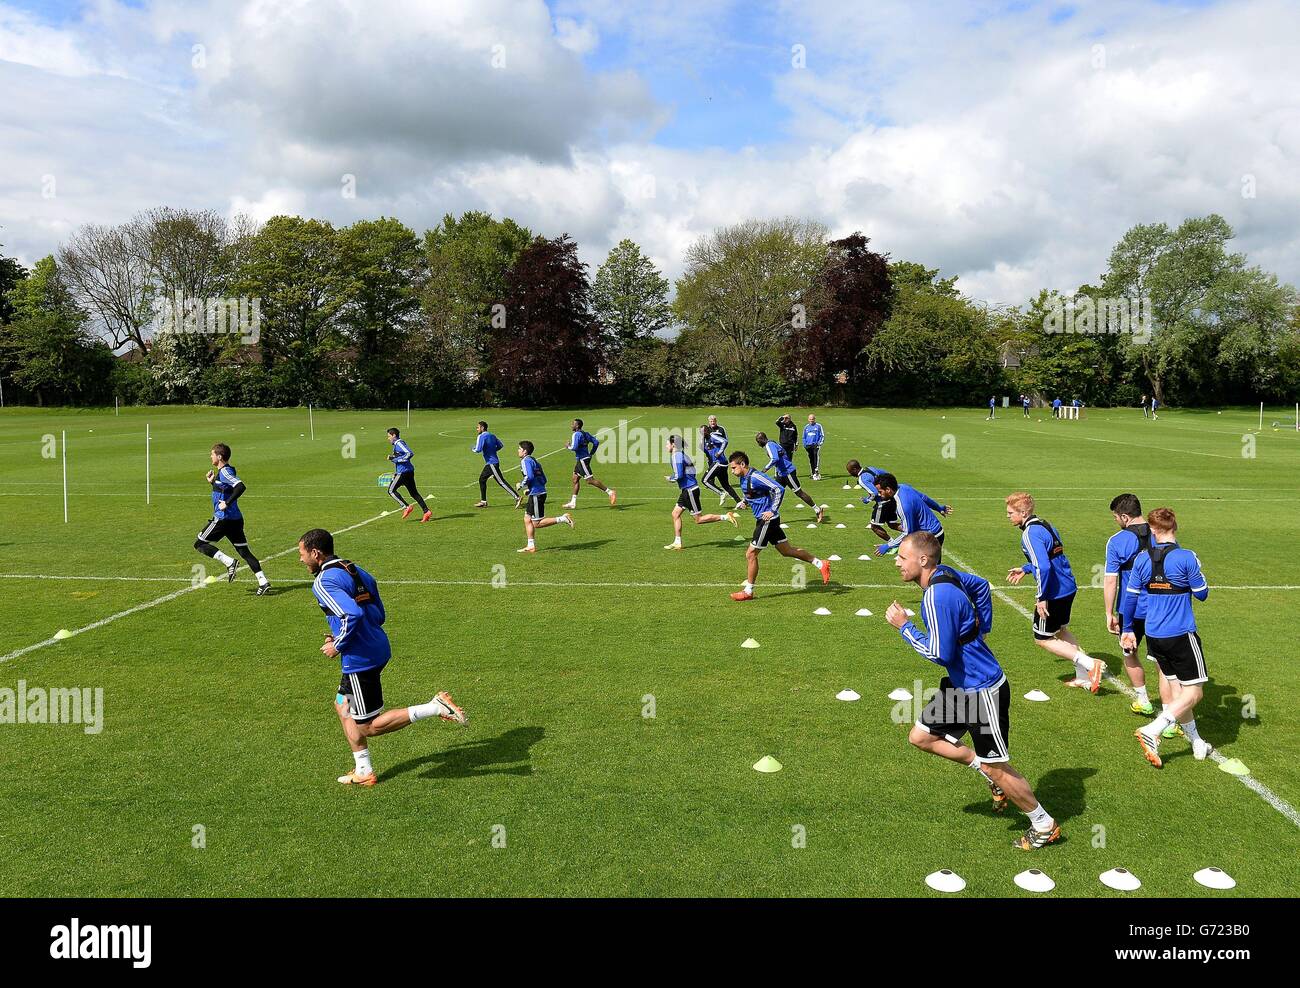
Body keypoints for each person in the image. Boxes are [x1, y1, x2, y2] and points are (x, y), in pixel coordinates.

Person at [885, 531, 1061, 850]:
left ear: (923, 560)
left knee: (998, 764)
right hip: (960, 686)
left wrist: (905, 628)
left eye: (901, 557)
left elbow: (941, 654)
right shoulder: (947, 572)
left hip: (982, 691)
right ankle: (987, 772)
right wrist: (983, 628)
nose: (896, 562)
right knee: (921, 737)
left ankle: (1043, 823)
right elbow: (980, 585)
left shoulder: (936, 596)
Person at [299, 527, 467, 787]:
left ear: (315, 553)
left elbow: (351, 614)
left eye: (302, 554)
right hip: (376, 644)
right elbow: (375, 607)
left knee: (368, 726)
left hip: (359, 657)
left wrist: (339, 644)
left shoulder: (322, 582)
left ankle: (435, 707)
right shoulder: (352, 568)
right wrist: (352, 632)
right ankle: (364, 770)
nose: (301, 560)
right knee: (343, 704)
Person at [1121, 508, 1213, 766]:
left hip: (1153, 634)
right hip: (1181, 633)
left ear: (1152, 530)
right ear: (1176, 526)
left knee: (1177, 691)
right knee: (1194, 693)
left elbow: (1130, 597)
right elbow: (1202, 593)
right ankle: (1154, 729)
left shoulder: (1141, 560)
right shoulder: (1186, 557)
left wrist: (1128, 629)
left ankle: (1196, 741)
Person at [1004, 492, 1105, 691]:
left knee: (1042, 639)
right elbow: (1051, 559)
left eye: (1010, 512)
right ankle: (1083, 677)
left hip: (1053, 593)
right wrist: (1025, 569)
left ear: (1023, 512)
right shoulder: (1046, 525)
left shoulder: (1029, 534)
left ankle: (1092, 664)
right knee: (1061, 630)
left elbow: (1044, 568)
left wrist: (1041, 597)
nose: (1007, 516)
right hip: (1068, 587)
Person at [726, 450, 830, 601]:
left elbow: (778, 489)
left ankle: (748, 591)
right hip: (765, 520)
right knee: (786, 551)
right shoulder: (744, 478)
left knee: (751, 554)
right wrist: (745, 502)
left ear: (742, 464)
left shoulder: (756, 476)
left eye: (734, 468)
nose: (732, 471)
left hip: (767, 520)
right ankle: (821, 564)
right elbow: (751, 493)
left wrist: (772, 510)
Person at [1103, 493, 1173, 719]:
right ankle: (1169, 717)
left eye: (1115, 517)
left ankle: (1143, 700)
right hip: (1160, 609)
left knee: (1129, 651)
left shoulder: (1117, 541)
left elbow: (1111, 579)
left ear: (1124, 516)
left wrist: (1108, 613)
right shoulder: (1163, 534)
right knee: (1163, 665)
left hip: (1130, 610)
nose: (1115, 521)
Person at [195, 442, 271, 595]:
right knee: (244, 552)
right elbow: (225, 488)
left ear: (219, 456)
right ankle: (263, 582)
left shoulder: (225, 472)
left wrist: (227, 503)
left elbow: (240, 486)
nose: (210, 457)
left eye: (212, 454)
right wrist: (212, 483)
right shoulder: (222, 473)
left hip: (224, 519)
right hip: (235, 519)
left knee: (199, 543)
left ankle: (229, 562)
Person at [664, 435, 737, 550]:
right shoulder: (682, 454)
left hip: (690, 490)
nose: (666, 446)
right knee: (675, 514)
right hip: (687, 489)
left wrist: (671, 479)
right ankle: (677, 542)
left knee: (698, 519)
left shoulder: (676, 456)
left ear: (673, 445)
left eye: (667, 443)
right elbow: (691, 471)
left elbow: (679, 475)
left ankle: (726, 516)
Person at [873, 472, 952, 555]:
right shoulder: (904, 487)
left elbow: (907, 532)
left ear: (888, 490)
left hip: (929, 538)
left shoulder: (903, 506)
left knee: (923, 567)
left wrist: (888, 546)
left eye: (880, 491)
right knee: (928, 566)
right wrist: (939, 508)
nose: (879, 494)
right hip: (935, 532)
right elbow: (924, 498)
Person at [757, 431, 824, 522]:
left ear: (761, 439)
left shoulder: (769, 445)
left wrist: (765, 469)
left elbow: (775, 458)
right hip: (781, 473)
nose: (758, 444)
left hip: (787, 472)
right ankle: (771, 514)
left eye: (758, 441)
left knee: (799, 492)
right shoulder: (772, 443)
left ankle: (817, 509)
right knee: (774, 492)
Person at [563, 418, 615, 510]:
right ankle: (573, 502)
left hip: (582, 460)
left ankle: (610, 492)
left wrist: (568, 446)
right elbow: (596, 442)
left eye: (573, 424)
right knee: (575, 479)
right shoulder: (585, 434)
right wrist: (591, 453)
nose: (571, 425)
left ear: (577, 426)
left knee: (590, 480)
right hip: (582, 459)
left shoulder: (576, 434)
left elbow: (574, 448)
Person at [384, 428, 432, 522]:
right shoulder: (398, 444)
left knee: (391, 490)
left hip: (403, 472)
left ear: (394, 435)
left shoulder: (399, 443)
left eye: (389, 436)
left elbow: (409, 453)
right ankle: (426, 512)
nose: (388, 438)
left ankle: (406, 506)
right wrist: (393, 458)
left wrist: (396, 460)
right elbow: (401, 455)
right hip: (408, 471)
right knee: (414, 493)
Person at [846, 460, 899, 541]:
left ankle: (892, 544)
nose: (850, 474)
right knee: (892, 524)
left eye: (850, 471)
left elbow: (874, 493)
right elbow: (887, 475)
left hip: (882, 502)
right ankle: (913, 531)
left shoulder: (862, 479)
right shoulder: (870, 469)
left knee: (874, 526)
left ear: (855, 469)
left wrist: (867, 500)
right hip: (891, 499)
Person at [698, 422, 743, 507]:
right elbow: (702, 448)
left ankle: (721, 493)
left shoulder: (712, 436)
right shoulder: (705, 440)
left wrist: (719, 452)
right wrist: (702, 438)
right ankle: (739, 502)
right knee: (726, 485)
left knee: (705, 480)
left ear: (707, 431)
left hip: (718, 463)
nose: (701, 433)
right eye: (700, 432)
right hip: (721, 464)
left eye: (703, 432)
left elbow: (724, 441)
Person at [472, 420, 514, 508]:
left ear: (482, 428)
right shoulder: (492, 435)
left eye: (478, 427)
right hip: (492, 462)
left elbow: (478, 449)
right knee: (482, 479)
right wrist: (492, 450)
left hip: (492, 463)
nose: (477, 429)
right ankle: (483, 501)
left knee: (501, 482)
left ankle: (517, 497)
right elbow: (500, 445)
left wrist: (473, 449)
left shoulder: (481, 436)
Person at [802, 414, 825, 481]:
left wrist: (819, 443)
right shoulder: (806, 427)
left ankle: (816, 471)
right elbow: (804, 437)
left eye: (812, 419)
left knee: (816, 457)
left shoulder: (818, 426)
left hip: (816, 445)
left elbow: (822, 435)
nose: (811, 420)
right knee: (811, 459)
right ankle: (813, 473)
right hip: (808, 446)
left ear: (814, 419)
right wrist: (805, 444)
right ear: (808, 419)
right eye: (810, 419)